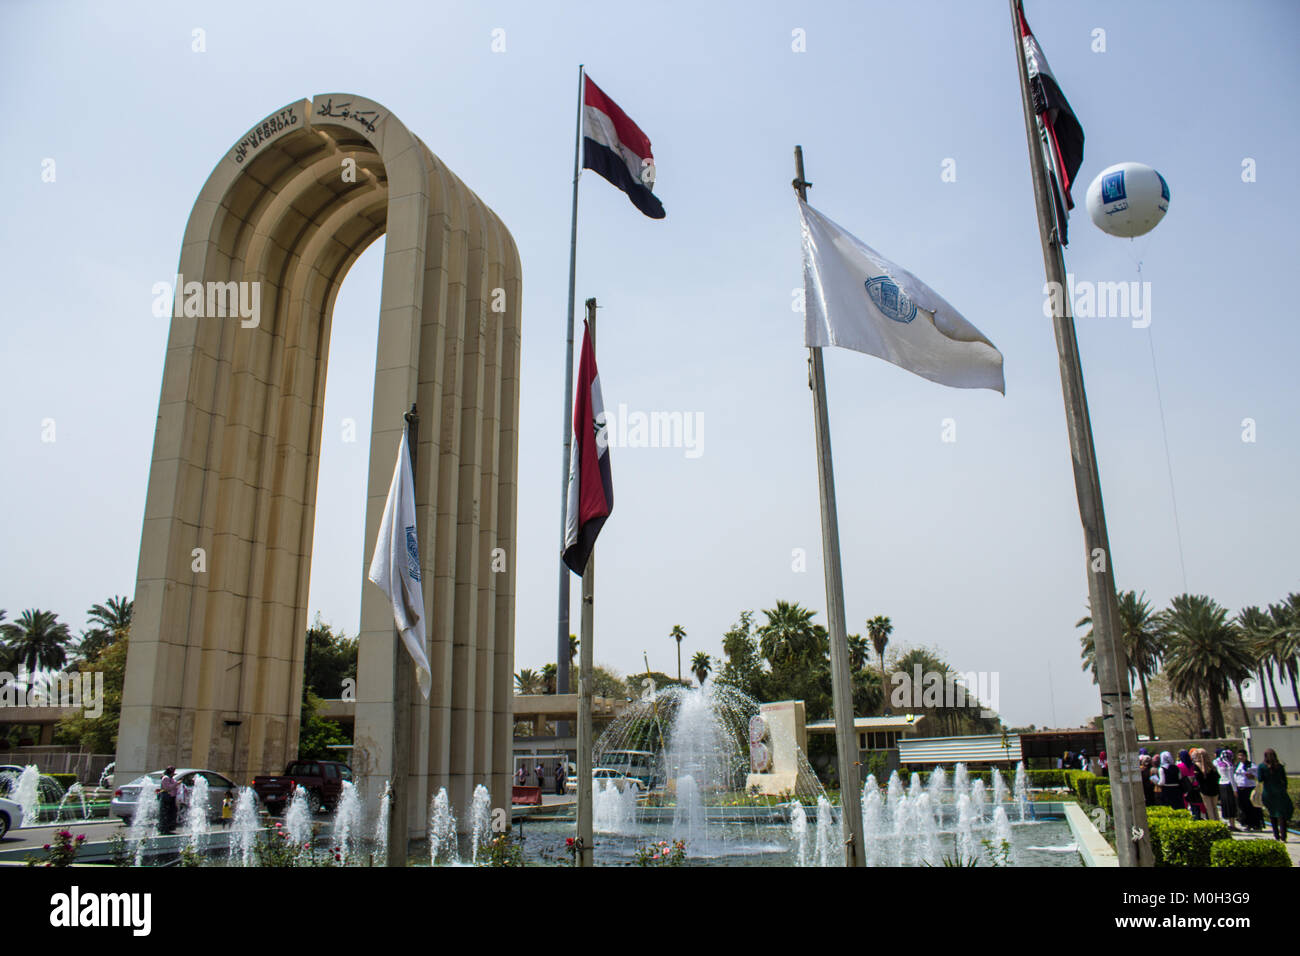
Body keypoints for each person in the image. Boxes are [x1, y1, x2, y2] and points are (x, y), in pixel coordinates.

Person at [1256, 748, 1293, 842]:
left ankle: (1276, 835)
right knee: (1282, 815)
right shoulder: (1280, 766)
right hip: (1280, 793)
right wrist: (1283, 790)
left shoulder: (1261, 767)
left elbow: (1260, 779)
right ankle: (1284, 836)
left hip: (1268, 793)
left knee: (1272, 814)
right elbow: (1284, 780)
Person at [1213, 749, 1239, 830]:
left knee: (1225, 805)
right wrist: (1235, 790)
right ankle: (1232, 824)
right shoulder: (1229, 765)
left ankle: (1229, 823)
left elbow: (1215, 761)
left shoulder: (1219, 764)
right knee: (1231, 805)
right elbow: (1232, 779)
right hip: (1228, 786)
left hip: (1221, 784)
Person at [1235, 755, 1262, 831]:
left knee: (1253, 807)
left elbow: (1257, 776)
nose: (1240, 757)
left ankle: (1256, 825)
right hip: (1240, 788)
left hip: (1249, 788)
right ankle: (1248, 824)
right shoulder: (1237, 765)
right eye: (1239, 756)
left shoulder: (1251, 765)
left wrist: (1252, 776)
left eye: (1242, 756)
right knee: (1244, 807)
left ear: (1245, 756)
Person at [1191, 748, 1218, 821]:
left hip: (1204, 789)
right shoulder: (1212, 766)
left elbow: (1199, 778)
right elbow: (1217, 776)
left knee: (1209, 809)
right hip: (1214, 789)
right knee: (1215, 808)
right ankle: (1218, 823)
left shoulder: (1196, 766)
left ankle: (1213, 824)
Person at [1177, 750, 1205, 820]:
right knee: (1195, 803)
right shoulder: (1193, 765)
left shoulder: (1179, 766)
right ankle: (1197, 817)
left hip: (1186, 787)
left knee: (1186, 803)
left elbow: (1179, 777)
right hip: (1195, 786)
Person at [158, 766, 180, 835]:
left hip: (171, 797)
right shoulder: (165, 778)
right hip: (166, 797)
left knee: (172, 813)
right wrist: (177, 784)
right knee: (165, 813)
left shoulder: (171, 778)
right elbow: (168, 788)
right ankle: (164, 829)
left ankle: (170, 828)